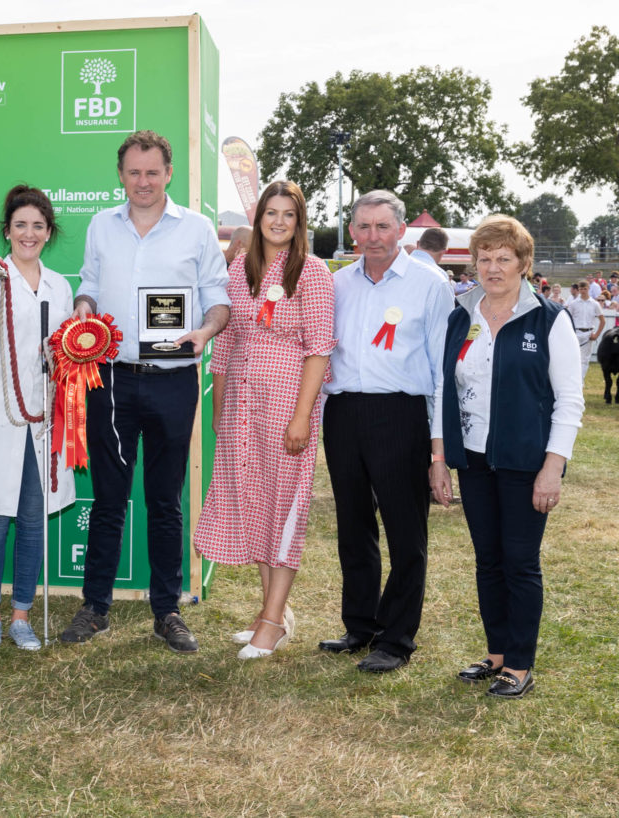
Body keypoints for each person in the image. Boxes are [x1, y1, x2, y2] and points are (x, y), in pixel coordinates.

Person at [61, 130, 231, 652]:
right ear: (120, 174)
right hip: (109, 378)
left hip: (174, 380)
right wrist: (84, 308)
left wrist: (203, 332)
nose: (143, 182)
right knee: (108, 500)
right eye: (133, 172)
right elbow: (87, 281)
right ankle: (95, 608)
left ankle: (167, 610)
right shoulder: (100, 226)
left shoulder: (198, 229)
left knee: (165, 501)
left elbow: (218, 300)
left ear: (169, 173)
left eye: (152, 172)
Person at [430, 215, 583, 698]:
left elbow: (570, 400)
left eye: (504, 258)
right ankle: (496, 652)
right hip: (472, 459)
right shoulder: (460, 313)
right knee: (488, 560)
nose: (493, 268)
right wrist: (439, 457)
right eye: (485, 257)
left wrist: (553, 467)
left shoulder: (549, 318)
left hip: (525, 461)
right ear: (473, 262)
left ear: (523, 263)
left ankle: (519, 663)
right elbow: (441, 389)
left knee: (520, 561)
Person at [194, 180, 335, 659]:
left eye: (288, 215)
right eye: (270, 213)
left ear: (299, 222)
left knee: (284, 507)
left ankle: (273, 621)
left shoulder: (312, 272)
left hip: (286, 401)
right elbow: (227, 341)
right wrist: (218, 411)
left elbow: (319, 349)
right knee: (256, 504)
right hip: (240, 401)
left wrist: (301, 418)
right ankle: (269, 613)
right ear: (258, 220)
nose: (278, 222)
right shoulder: (241, 268)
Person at [318, 190, 452, 673]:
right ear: (351, 231)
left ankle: (397, 639)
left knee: (404, 530)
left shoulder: (429, 284)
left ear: (401, 230)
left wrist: (439, 452)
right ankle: (360, 624)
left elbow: (440, 370)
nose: (372, 236)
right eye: (363, 227)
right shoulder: (339, 283)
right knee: (353, 526)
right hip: (344, 414)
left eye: (382, 227)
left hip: (401, 415)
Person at [0, 185, 74, 650]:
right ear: (7, 231)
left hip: (43, 415)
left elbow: (67, 347)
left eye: (38, 226)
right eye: (20, 225)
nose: (29, 234)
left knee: (32, 518)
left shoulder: (60, 285)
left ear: (49, 233)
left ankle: (22, 614)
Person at [565, 281, 604, 379]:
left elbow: (602, 321)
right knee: (572, 357)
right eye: (581, 289)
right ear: (578, 289)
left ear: (588, 288)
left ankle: (580, 382)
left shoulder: (595, 304)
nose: (583, 291)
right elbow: (567, 319)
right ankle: (572, 379)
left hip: (588, 334)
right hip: (576, 333)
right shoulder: (573, 303)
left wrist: (596, 335)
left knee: (585, 360)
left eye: (585, 289)